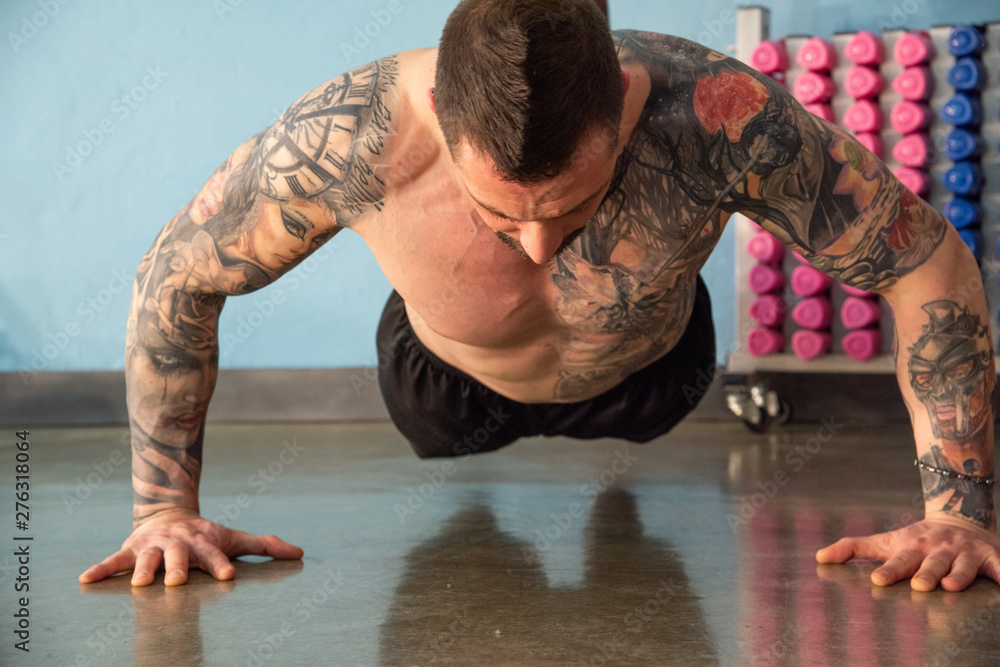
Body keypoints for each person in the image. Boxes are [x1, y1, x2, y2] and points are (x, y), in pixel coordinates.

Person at [80, 0, 999, 592]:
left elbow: (924, 261)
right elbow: (176, 276)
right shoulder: (352, 137)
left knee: (640, 439)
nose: (538, 245)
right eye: (499, 213)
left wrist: (958, 512)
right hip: (444, 387)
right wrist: (162, 509)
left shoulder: (717, 117)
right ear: (440, 115)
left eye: (571, 207)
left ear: (625, 105)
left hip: (652, 379)